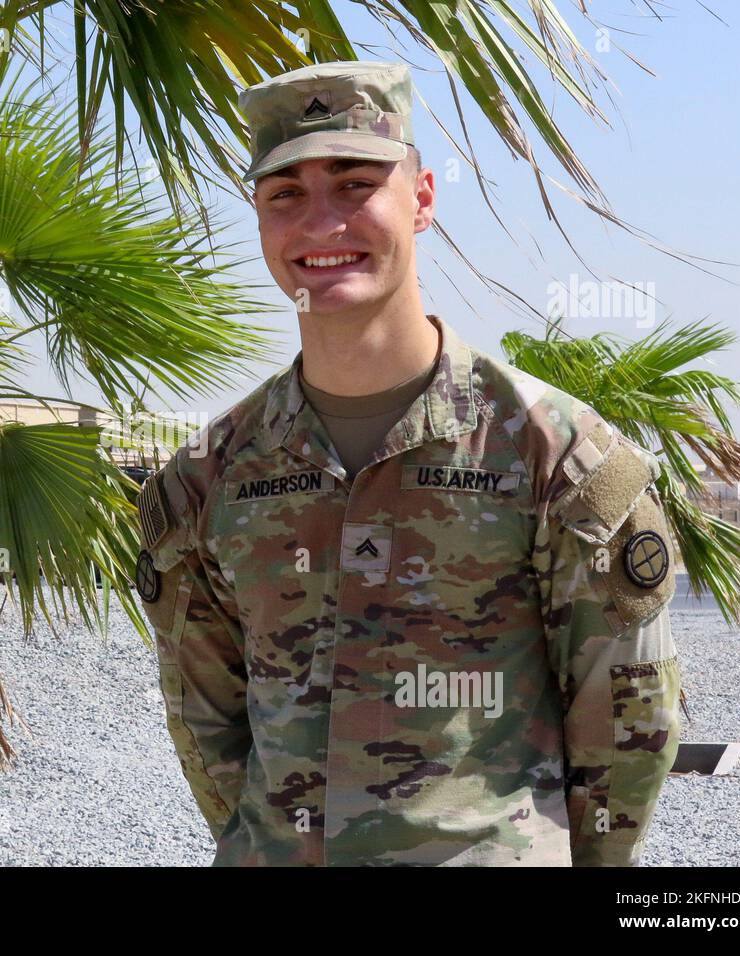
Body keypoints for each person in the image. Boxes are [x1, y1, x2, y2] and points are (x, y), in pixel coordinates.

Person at [134, 61, 681, 866]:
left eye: (355, 184)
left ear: (421, 199)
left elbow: (628, 719)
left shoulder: (555, 453)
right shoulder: (208, 478)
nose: (320, 224)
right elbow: (207, 726)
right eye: (285, 194)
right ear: (259, 219)